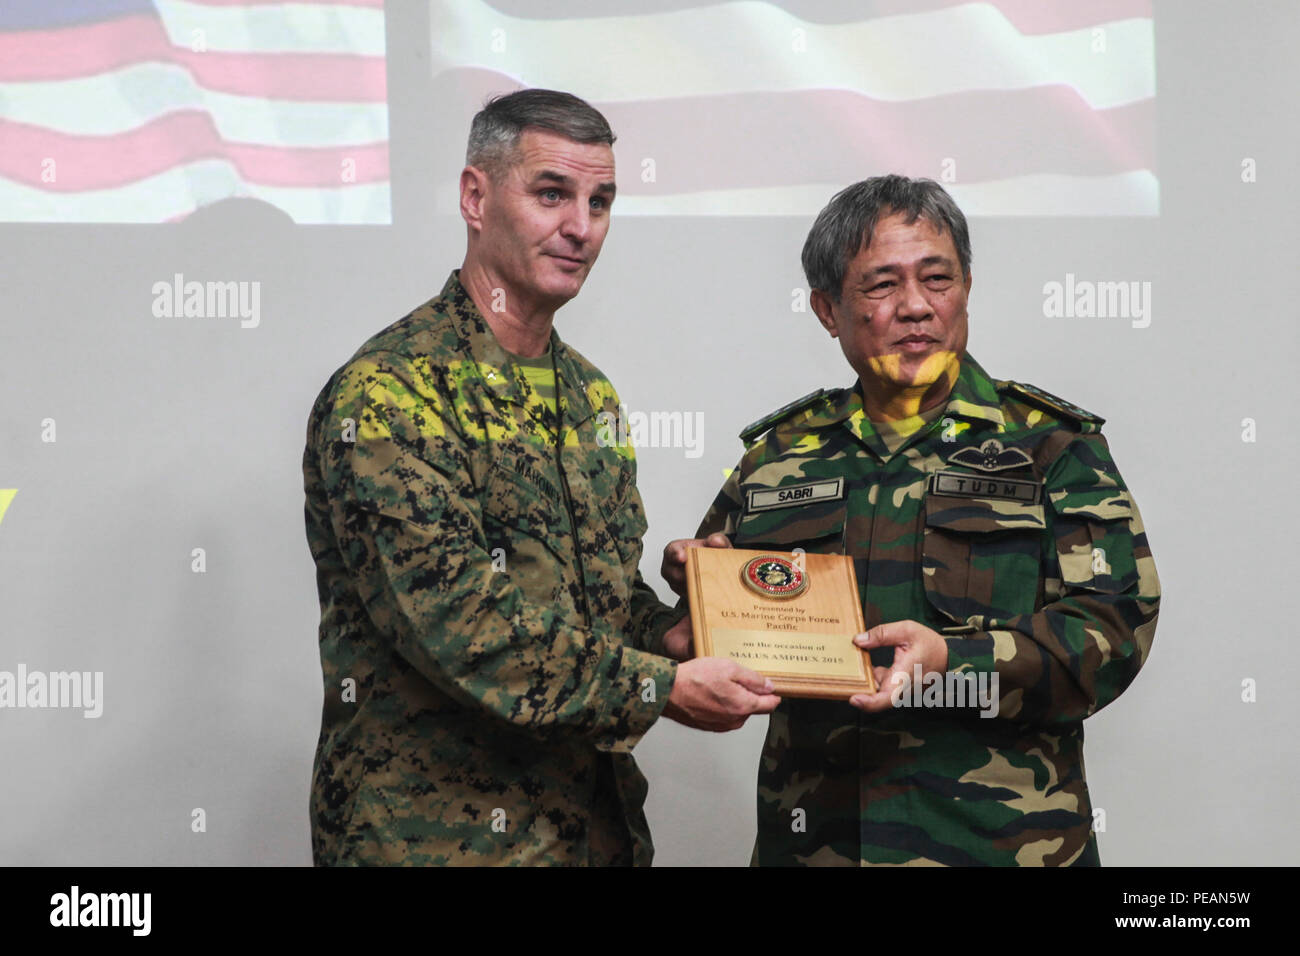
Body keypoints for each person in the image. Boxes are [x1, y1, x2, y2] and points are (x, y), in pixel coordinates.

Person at [302, 89, 779, 866]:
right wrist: (663, 685)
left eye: (601, 201)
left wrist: (673, 634)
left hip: (587, 835)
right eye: (552, 193)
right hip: (434, 844)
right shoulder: (391, 393)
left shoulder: (588, 395)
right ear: (474, 197)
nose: (580, 228)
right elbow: (462, 628)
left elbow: (598, 598)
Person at [663, 175, 1160, 866]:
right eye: (881, 286)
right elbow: (715, 634)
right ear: (827, 310)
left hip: (998, 848)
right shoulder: (777, 458)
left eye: (938, 278)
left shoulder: (1052, 446)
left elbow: (1113, 633)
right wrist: (701, 591)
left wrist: (952, 662)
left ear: (966, 288)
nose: (917, 307)